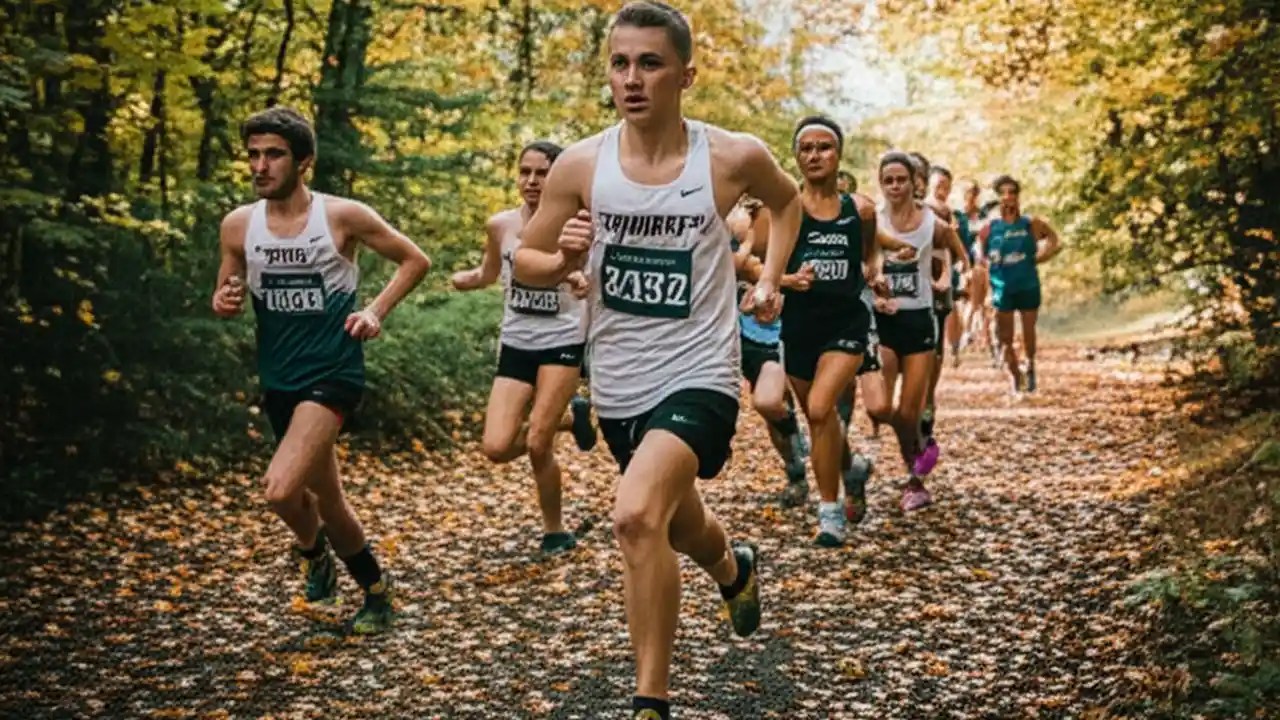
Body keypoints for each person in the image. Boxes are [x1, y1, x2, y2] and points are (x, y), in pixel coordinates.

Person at [511, 4, 802, 718]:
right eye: (619, 63)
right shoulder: (582, 164)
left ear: (686, 74)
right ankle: (735, 572)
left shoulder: (731, 156)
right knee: (677, 522)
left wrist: (766, 280)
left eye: (650, 63)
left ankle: (651, 700)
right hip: (619, 382)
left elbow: (787, 204)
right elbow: (527, 260)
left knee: (636, 515)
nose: (632, 78)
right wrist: (565, 258)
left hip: (701, 370)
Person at [211, 106, 431, 634]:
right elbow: (225, 296)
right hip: (278, 378)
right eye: (253, 155)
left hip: (332, 371)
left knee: (282, 491)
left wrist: (374, 311)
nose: (260, 166)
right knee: (330, 502)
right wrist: (225, 298)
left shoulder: (341, 217)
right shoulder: (239, 225)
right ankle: (376, 591)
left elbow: (415, 260)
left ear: (303, 161)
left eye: (274, 155)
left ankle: (314, 558)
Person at [450, 140, 599, 556]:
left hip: (562, 342)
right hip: (517, 342)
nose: (532, 181)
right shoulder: (501, 225)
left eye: (542, 173)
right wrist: (469, 279)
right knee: (496, 447)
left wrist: (580, 281)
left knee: (537, 443)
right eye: (525, 172)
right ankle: (574, 418)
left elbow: (591, 279)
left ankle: (555, 530)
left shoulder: (580, 225)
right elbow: (491, 272)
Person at [779, 115, 879, 546]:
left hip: (846, 322)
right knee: (817, 420)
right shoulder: (785, 209)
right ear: (797, 157)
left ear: (839, 155)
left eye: (824, 147)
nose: (815, 155)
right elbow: (755, 264)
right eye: (807, 148)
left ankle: (829, 512)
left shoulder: (861, 209)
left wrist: (875, 273)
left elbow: (871, 252)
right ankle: (851, 467)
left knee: (821, 409)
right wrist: (785, 281)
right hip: (800, 327)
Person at [875, 151, 961, 512]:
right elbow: (865, 261)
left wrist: (944, 278)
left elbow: (955, 255)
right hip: (883, 321)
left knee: (909, 412)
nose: (895, 186)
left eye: (901, 179)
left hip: (920, 321)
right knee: (881, 407)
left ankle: (915, 478)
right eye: (888, 180)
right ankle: (917, 456)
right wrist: (874, 283)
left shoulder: (933, 221)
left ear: (914, 183)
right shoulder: (871, 220)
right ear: (881, 184)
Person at [726, 197, 810, 508]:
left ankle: (804, 443)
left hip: (773, 334)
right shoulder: (721, 206)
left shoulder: (785, 208)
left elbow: (766, 269)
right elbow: (741, 265)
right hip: (729, 335)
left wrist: (781, 280)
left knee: (769, 401)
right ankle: (796, 473)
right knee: (766, 410)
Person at [977, 174, 1063, 393]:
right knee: (1004, 337)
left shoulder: (1030, 223)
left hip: (1027, 284)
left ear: (1018, 196)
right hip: (1002, 287)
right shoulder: (990, 227)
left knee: (1028, 330)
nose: (1008, 197)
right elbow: (978, 251)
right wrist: (985, 262)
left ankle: (1030, 365)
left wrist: (1042, 256)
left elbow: (1054, 239)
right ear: (998, 198)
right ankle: (1014, 375)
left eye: (1012, 192)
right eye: (1003, 193)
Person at [919, 162, 971, 440]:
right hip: (909, 286)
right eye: (938, 184)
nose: (942, 190)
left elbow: (953, 248)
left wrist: (955, 272)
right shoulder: (906, 209)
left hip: (938, 283)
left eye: (946, 186)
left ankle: (927, 400)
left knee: (934, 346)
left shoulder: (948, 214)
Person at [954, 178, 992, 357]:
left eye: (974, 194)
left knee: (982, 302)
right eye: (968, 194)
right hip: (965, 263)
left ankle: (984, 337)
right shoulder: (958, 216)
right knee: (973, 301)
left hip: (983, 262)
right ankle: (967, 333)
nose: (971, 198)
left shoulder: (984, 215)